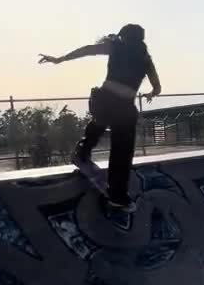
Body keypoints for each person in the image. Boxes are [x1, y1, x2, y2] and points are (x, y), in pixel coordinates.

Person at [39, 24, 161, 209]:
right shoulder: (146, 59)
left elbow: (87, 50)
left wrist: (60, 59)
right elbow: (158, 87)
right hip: (125, 107)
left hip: (107, 100)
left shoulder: (116, 46)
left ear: (124, 37)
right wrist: (152, 94)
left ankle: (83, 150)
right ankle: (117, 193)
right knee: (123, 152)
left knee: (102, 120)